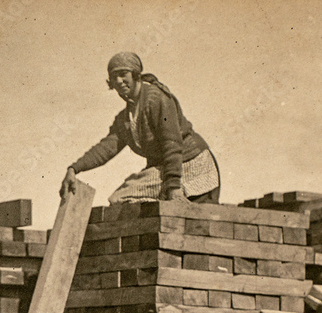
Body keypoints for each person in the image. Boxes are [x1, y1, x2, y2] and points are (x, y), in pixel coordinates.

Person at [61, 51, 220, 204]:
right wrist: (74, 169)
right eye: (114, 77)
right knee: (122, 199)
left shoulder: (156, 98)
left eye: (123, 74)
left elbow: (171, 143)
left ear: (136, 74)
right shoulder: (124, 119)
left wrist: (174, 187)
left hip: (192, 167)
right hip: (167, 170)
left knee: (122, 197)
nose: (119, 81)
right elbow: (106, 149)